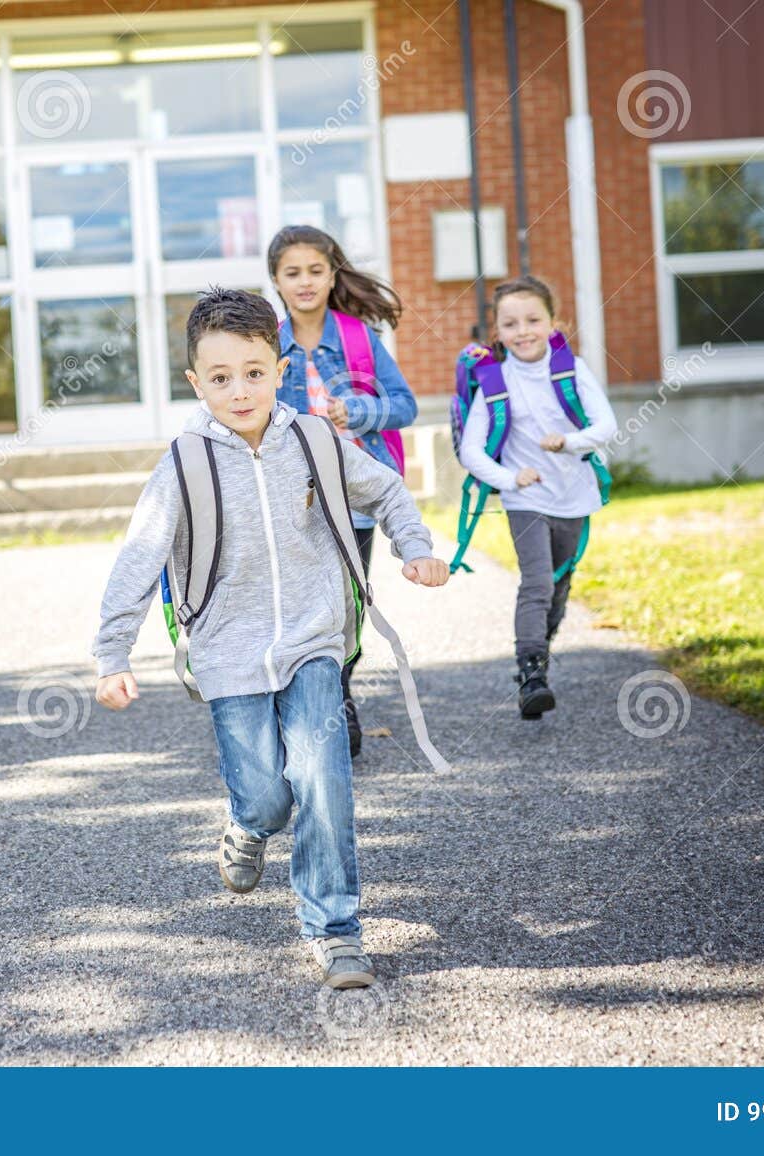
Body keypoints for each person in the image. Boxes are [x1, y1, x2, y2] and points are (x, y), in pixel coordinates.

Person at [93, 289, 449, 989]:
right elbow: (140, 555)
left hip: (315, 641)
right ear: (195, 382)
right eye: (220, 377)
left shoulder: (315, 440)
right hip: (227, 652)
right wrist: (111, 652)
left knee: (322, 776)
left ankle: (336, 929)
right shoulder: (186, 462)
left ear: (280, 368)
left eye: (255, 371)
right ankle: (247, 825)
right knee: (266, 798)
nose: (239, 389)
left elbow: (386, 490)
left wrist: (415, 545)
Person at [269, 224, 419, 756]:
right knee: (300, 604)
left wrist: (358, 410)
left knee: (350, 604)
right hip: (292, 499)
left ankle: (339, 692)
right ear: (277, 282)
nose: (305, 281)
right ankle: (309, 700)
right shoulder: (269, 345)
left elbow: (405, 405)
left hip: (352, 500)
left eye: (315, 270)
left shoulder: (359, 338)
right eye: (293, 273)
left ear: (333, 274)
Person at [454, 276, 617, 718]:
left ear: (553, 322)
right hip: (525, 499)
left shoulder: (572, 370)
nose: (522, 331)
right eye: (510, 323)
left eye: (532, 320)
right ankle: (531, 675)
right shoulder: (494, 380)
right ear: (498, 331)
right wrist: (508, 479)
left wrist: (569, 442)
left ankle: (538, 655)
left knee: (560, 586)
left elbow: (606, 426)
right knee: (538, 581)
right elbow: (471, 449)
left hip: (574, 495)